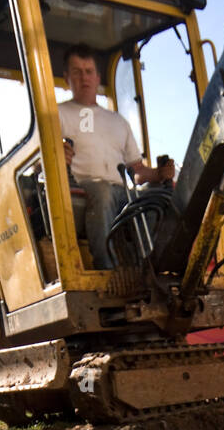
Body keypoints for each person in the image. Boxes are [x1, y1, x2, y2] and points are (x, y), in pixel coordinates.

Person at [58, 44, 175, 268]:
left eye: (89, 71)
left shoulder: (117, 121)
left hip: (122, 191)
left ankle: (147, 267)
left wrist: (159, 173)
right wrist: (57, 155)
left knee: (154, 200)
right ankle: (107, 268)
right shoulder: (58, 115)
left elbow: (138, 172)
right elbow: (40, 162)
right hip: (84, 187)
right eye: (77, 72)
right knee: (102, 193)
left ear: (97, 77)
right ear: (67, 78)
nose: (84, 78)